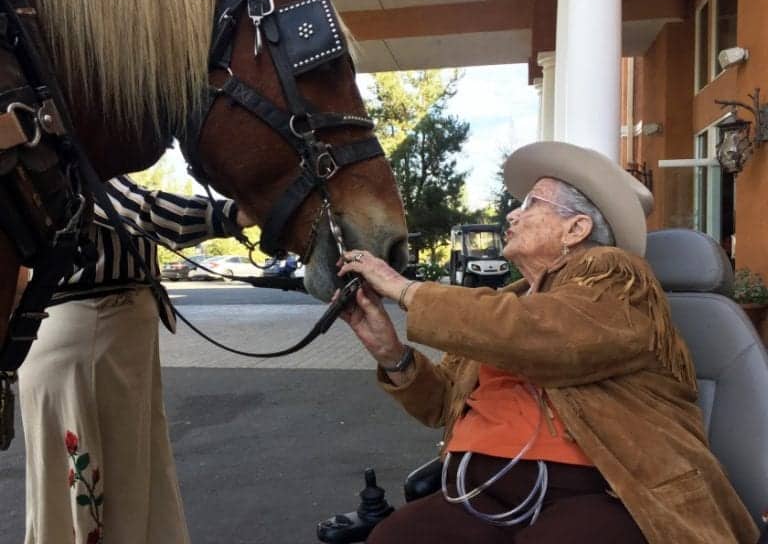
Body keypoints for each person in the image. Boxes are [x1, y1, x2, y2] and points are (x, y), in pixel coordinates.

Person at [336, 141, 758, 544]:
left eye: (530, 204)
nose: (512, 215)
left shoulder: (617, 275)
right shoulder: (509, 303)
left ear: (576, 228)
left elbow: (545, 336)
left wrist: (404, 288)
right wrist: (391, 354)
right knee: (395, 536)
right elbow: (441, 404)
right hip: (480, 492)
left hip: (596, 493)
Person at [18, 175, 254, 544]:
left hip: (98, 343)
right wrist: (234, 213)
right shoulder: (78, 166)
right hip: (91, 344)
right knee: (114, 484)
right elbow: (142, 211)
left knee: (122, 479)